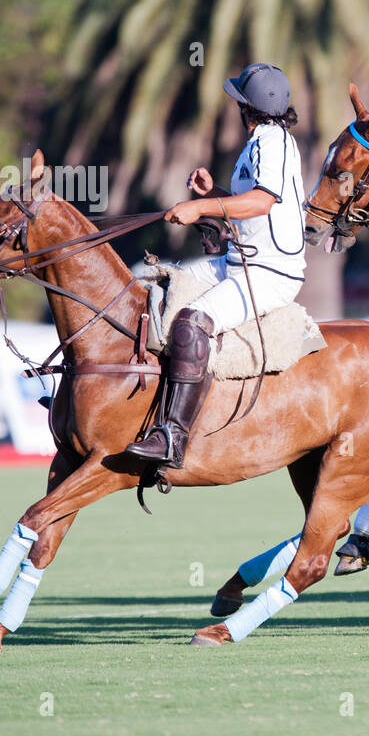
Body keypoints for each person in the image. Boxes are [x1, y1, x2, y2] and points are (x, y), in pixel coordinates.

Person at [125, 62, 307, 468]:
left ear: (247, 107)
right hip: (237, 263)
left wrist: (199, 206)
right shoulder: (261, 140)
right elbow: (251, 205)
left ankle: (172, 436)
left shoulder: (272, 141)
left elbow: (262, 202)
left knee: (191, 322)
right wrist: (216, 192)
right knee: (151, 286)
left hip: (269, 274)